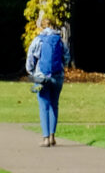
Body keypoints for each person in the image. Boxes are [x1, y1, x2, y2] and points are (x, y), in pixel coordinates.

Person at [26, 19, 69, 148]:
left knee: (43, 106)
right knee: (54, 105)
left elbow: (30, 58)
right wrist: (62, 68)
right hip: (57, 77)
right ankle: (52, 137)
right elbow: (66, 57)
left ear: (41, 26)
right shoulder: (60, 40)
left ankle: (45, 138)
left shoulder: (38, 40)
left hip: (42, 77)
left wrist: (32, 73)